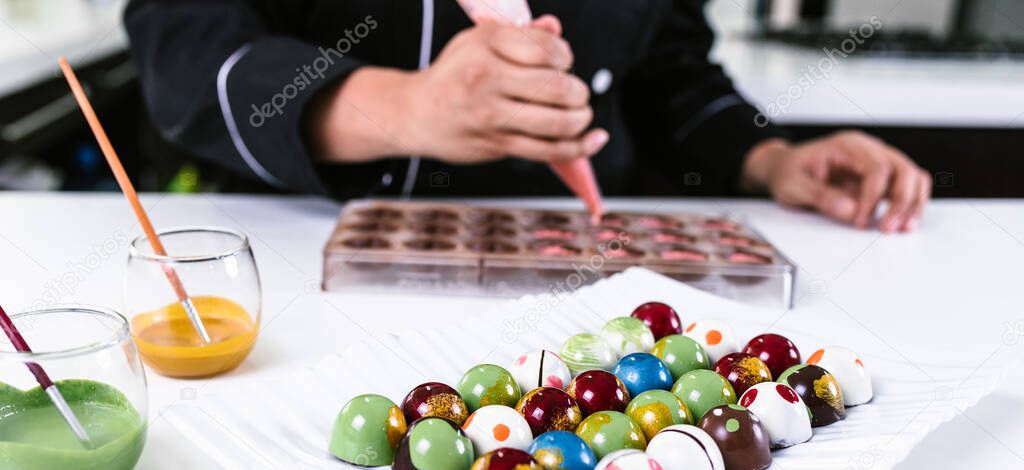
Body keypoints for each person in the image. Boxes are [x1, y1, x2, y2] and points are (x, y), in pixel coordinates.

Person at [125, 0, 931, 232]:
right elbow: (184, 47)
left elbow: (669, 71)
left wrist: (769, 160)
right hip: (300, 257)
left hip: (581, 264)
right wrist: (406, 108)